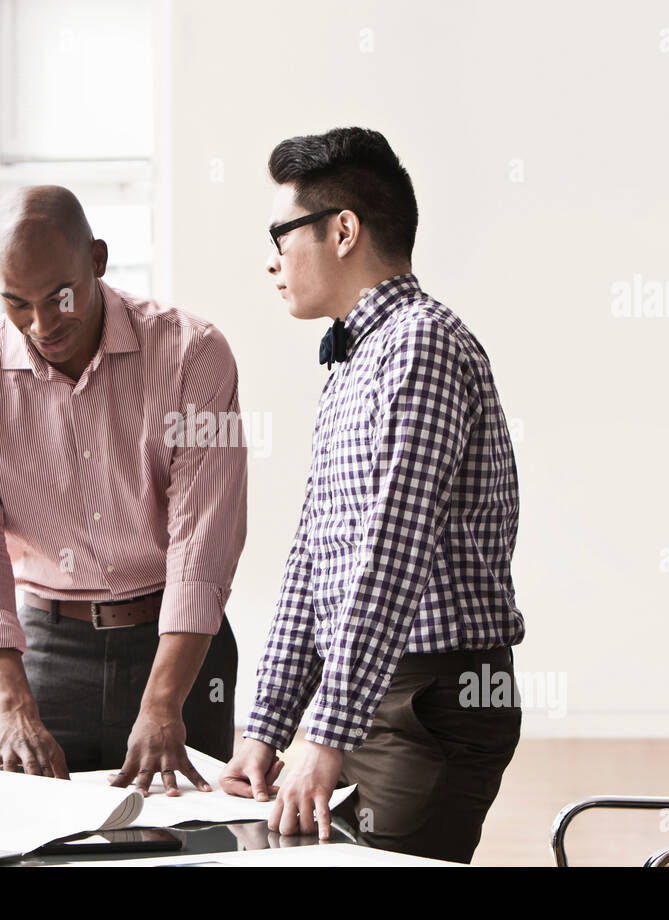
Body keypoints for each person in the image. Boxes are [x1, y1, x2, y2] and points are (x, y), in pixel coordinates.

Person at [220, 128, 526, 863]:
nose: (272, 259)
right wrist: (267, 725)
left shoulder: (421, 345)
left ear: (344, 230)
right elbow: (313, 560)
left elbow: (391, 555)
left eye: (281, 234)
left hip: (430, 701)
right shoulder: (354, 362)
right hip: (366, 690)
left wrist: (324, 734)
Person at [0, 185, 246, 795]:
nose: (42, 324)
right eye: (17, 303)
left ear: (97, 258)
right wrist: (15, 709)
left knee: (184, 845)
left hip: (174, 643)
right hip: (45, 647)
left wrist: (162, 702)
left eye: (59, 297)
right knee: (40, 845)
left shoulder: (194, 354)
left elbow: (204, 538)